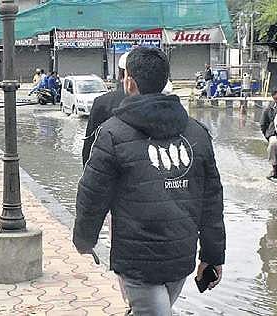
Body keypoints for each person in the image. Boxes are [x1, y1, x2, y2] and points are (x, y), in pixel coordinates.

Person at [74, 47, 225, 315]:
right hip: (178, 255)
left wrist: (84, 239)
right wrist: (212, 255)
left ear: (129, 82)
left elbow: (92, 195)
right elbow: (212, 202)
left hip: (139, 260)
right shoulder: (197, 132)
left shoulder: (111, 133)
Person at [82, 51, 132, 164]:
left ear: (120, 75)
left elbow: (89, 145)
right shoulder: (155, 103)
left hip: (108, 166)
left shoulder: (102, 102)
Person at [261, 90, 277, 178]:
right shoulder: (269, 109)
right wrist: (268, 135)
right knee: (273, 143)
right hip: (274, 133)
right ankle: (274, 169)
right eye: (276, 98)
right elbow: (263, 124)